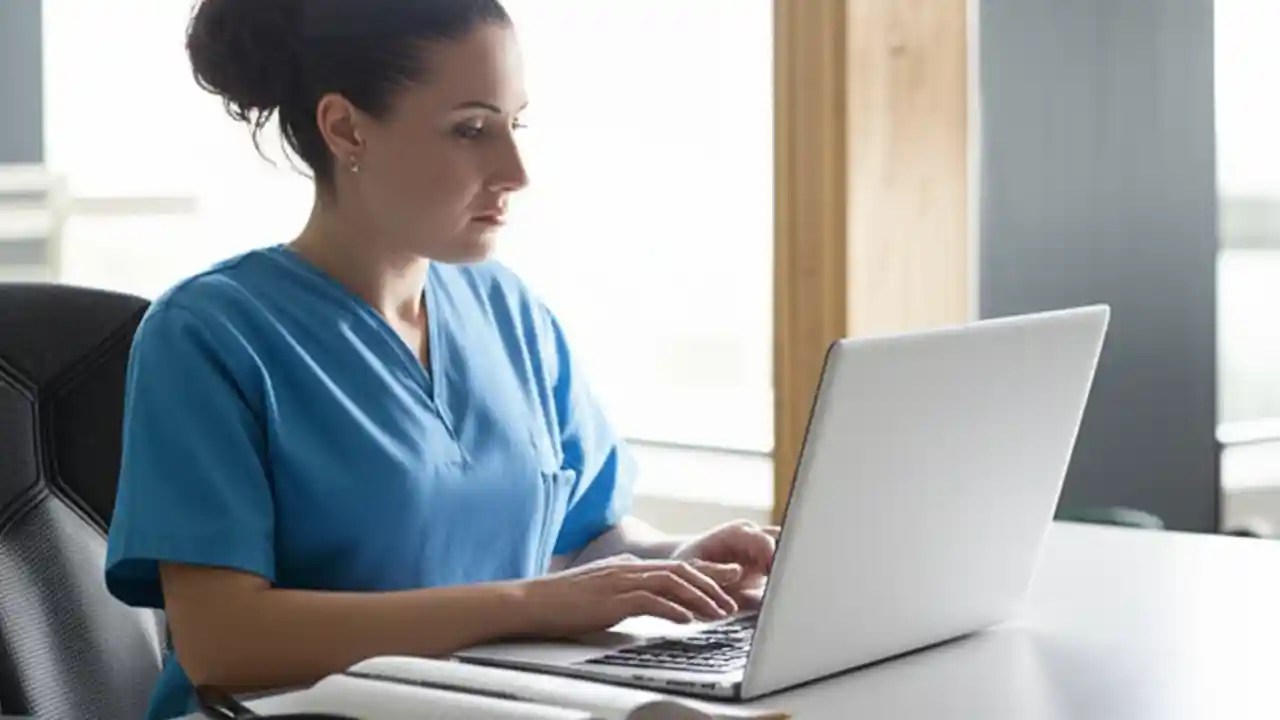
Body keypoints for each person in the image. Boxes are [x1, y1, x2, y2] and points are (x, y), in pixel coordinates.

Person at [103, 1, 779, 717]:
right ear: (346, 128)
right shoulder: (208, 335)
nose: (515, 171)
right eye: (471, 130)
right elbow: (222, 641)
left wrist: (673, 564)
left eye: (515, 126)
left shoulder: (509, 312)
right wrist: (528, 605)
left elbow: (584, 540)